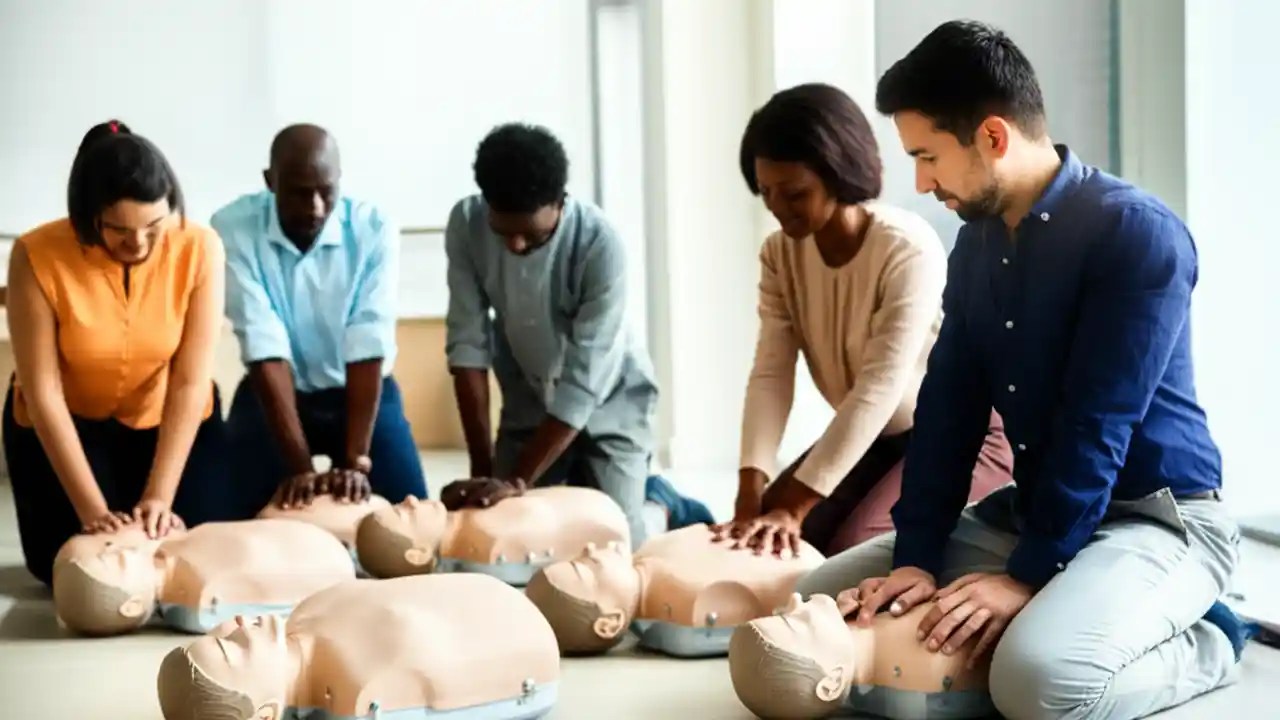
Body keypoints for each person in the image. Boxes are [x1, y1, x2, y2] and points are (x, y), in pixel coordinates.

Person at [794, 21, 1249, 719]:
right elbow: (948, 412)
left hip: (1157, 518)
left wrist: (1028, 576)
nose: (920, 182)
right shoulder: (975, 249)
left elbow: (1097, 425)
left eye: (928, 156)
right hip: (1036, 508)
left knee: (1036, 686)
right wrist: (915, 556)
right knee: (816, 602)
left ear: (994, 138)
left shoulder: (1138, 235)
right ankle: (1062, 616)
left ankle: (1209, 638)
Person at [714, 83, 1011, 559]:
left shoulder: (905, 247)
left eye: (794, 193)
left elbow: (879, 388)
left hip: (964, 433)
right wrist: (751, 493)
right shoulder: (779, 254)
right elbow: (771, 374)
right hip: (882, 438)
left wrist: (794, 507)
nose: (778, 209)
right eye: (766, 192)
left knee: (853, 554)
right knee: (765, 537)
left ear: (837, 173)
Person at [441, 123, 711, 548]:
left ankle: (662, 503)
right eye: (503, 230)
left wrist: (514, 477)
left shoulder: (601, 244)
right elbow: (467, 345)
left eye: (530, 234)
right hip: (528, 400)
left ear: (560, 203)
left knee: (616, 543)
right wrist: (485, 471)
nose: (513, 245)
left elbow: (583, 384)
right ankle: (576, 475)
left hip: (611, 401)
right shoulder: (466, 223)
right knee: (508, 530)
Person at [3, 120, 230, 586]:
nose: (139, 244)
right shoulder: (36, 253)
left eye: (154, 226)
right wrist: (93, 514)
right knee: (70, 565)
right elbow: (44, 394)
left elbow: (190, 381)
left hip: (164, 420)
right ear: (87, 217)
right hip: (69, 424)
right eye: (119, 230)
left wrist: (160, 497)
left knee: (189, 551)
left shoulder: (200, 246)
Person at [212, 124, 426, 519]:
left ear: (339, 181)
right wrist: (300, 469)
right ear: (270, 182)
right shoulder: (232, 229)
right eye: (298, 192)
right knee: (232, 516)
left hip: (359, 392)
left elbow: (368, 339)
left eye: (326, 191)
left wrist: (356, 461)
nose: (315, 207)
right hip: (277, 393)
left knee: (412, 514)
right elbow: (264, 346)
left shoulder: (373, 228)